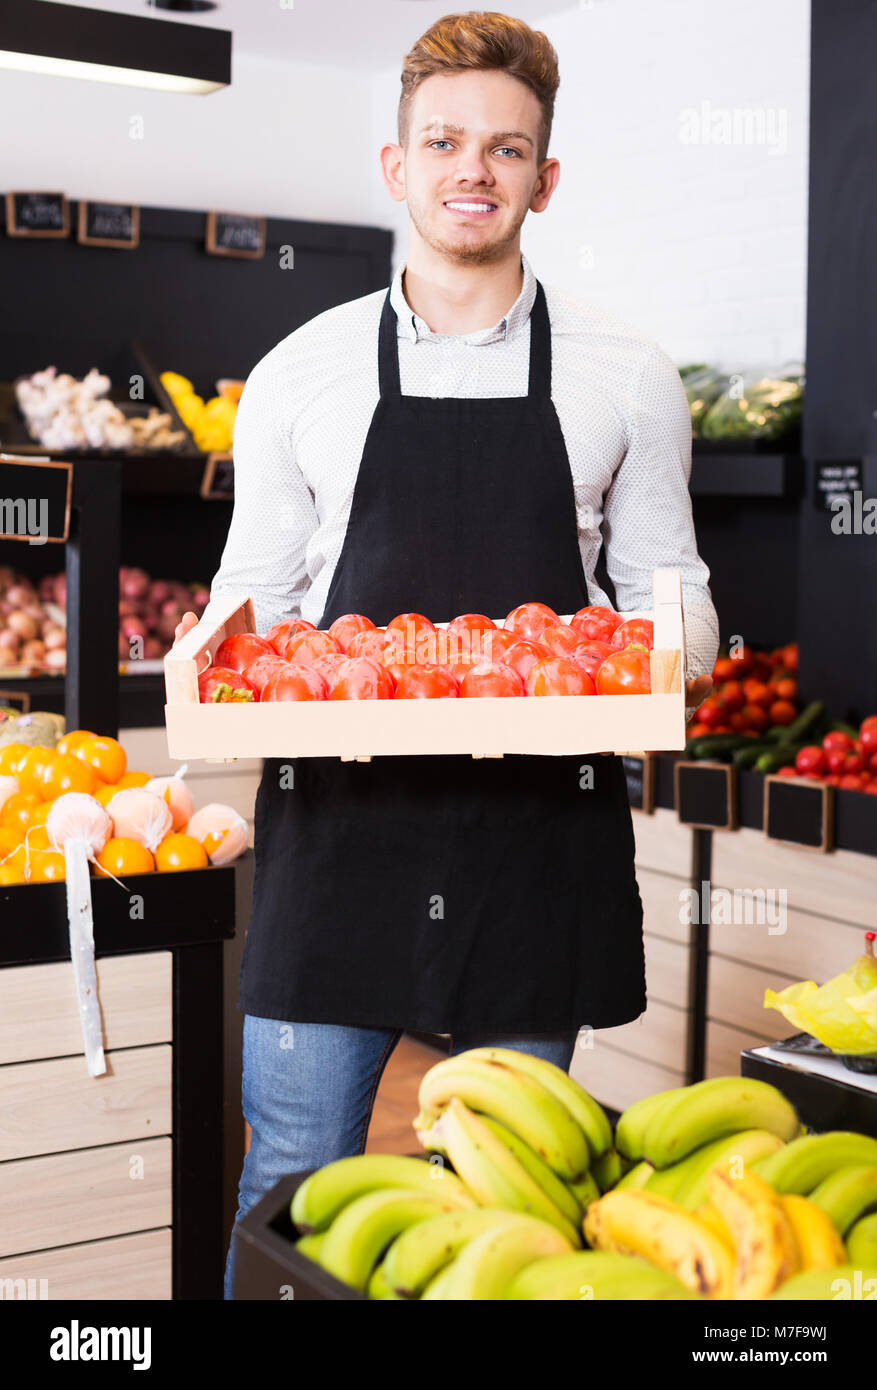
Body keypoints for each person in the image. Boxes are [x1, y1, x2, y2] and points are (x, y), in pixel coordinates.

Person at [174, 12, 718, 1299]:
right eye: (446, 142)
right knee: (292, 1173)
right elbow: (254, 594)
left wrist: (647, 657)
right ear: (396, 165)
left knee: (508, 1201)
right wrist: (206, 654)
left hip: (537, 840)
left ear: (545, 177)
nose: (474, 168)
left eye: (507, 147)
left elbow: (672, 596)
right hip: (340, 836)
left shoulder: (629, 374)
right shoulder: (298, 373)